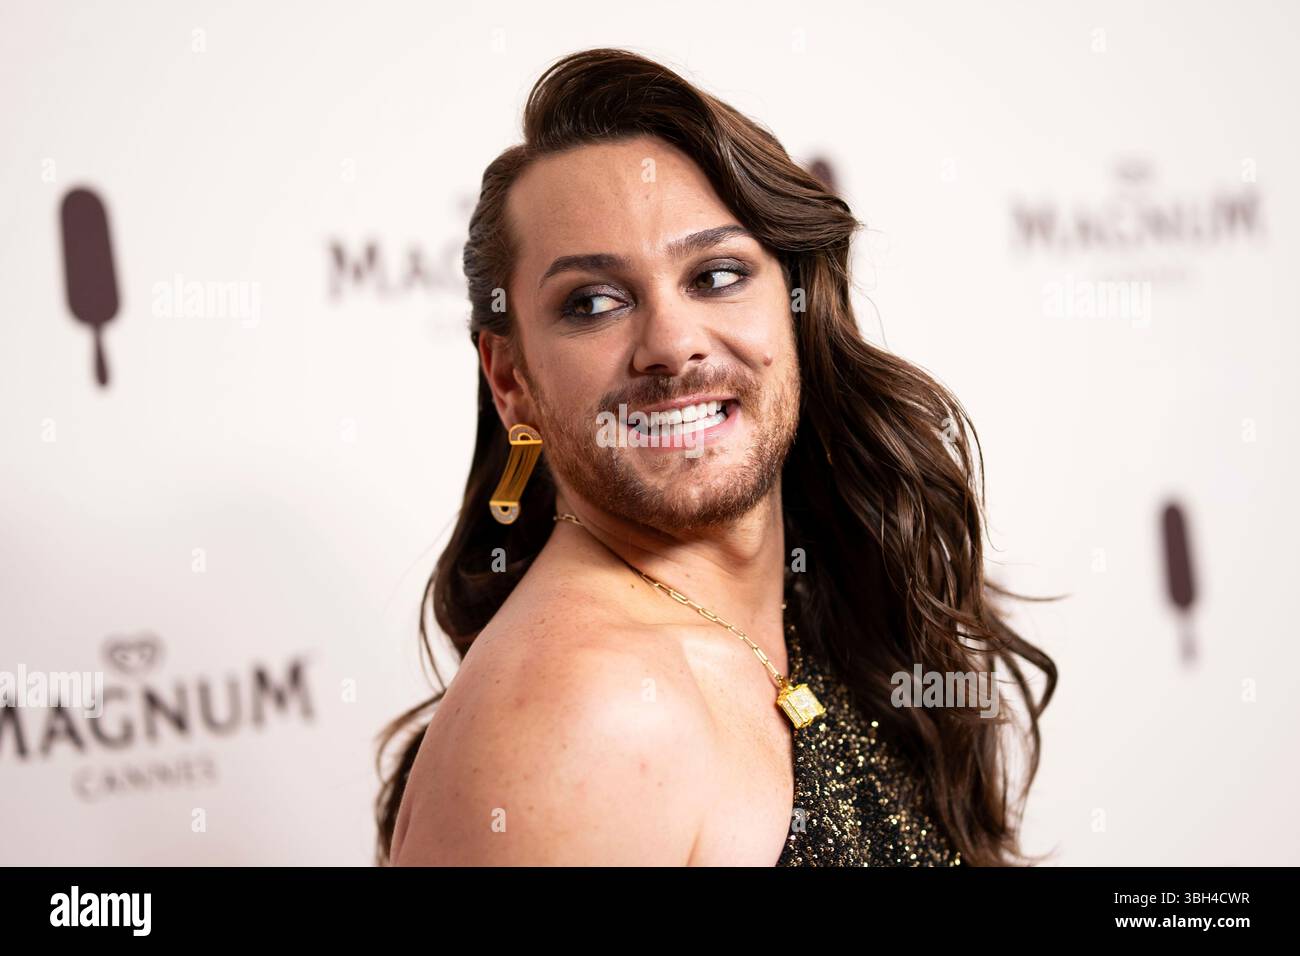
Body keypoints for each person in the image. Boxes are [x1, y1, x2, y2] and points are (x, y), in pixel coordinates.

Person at [376, 47, 1056, 866]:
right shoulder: (581, 717)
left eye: (717, 274)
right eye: (593, 302)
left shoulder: (811, 603)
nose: (671, 344)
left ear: (797, 310)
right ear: (511, 378)